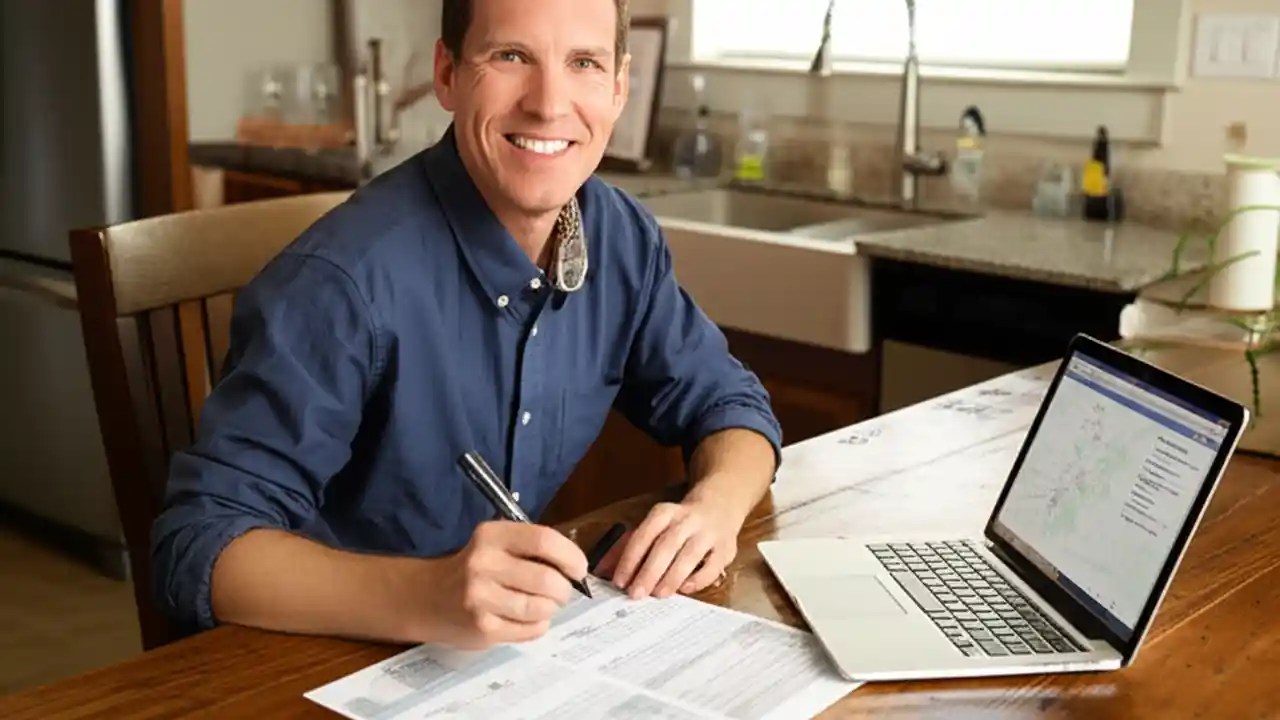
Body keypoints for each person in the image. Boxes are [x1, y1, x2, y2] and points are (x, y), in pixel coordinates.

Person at [151, 0, 781, 652]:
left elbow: (730, 405)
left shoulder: (620, 238)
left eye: (584, 63)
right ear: (447, 74)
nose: (548, 103)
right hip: (319, 657)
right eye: (510, 56)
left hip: (495, 657)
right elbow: (199, 546)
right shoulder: (340, 282)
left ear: (619, 87)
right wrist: (429, 596)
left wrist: (714, 509)